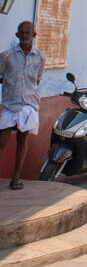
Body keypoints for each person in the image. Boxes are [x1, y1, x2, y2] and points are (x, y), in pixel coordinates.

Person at [0, 20, 46, 189]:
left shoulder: (40, 57)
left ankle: (16, 177)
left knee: (22, 139)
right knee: (2, 138)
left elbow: (38, 79)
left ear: (34, 35)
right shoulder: (6, 56)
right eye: (22, 33)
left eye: (28, 33)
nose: (25, 36)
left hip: (29, 104)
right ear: (17, 35)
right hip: (10, 103)